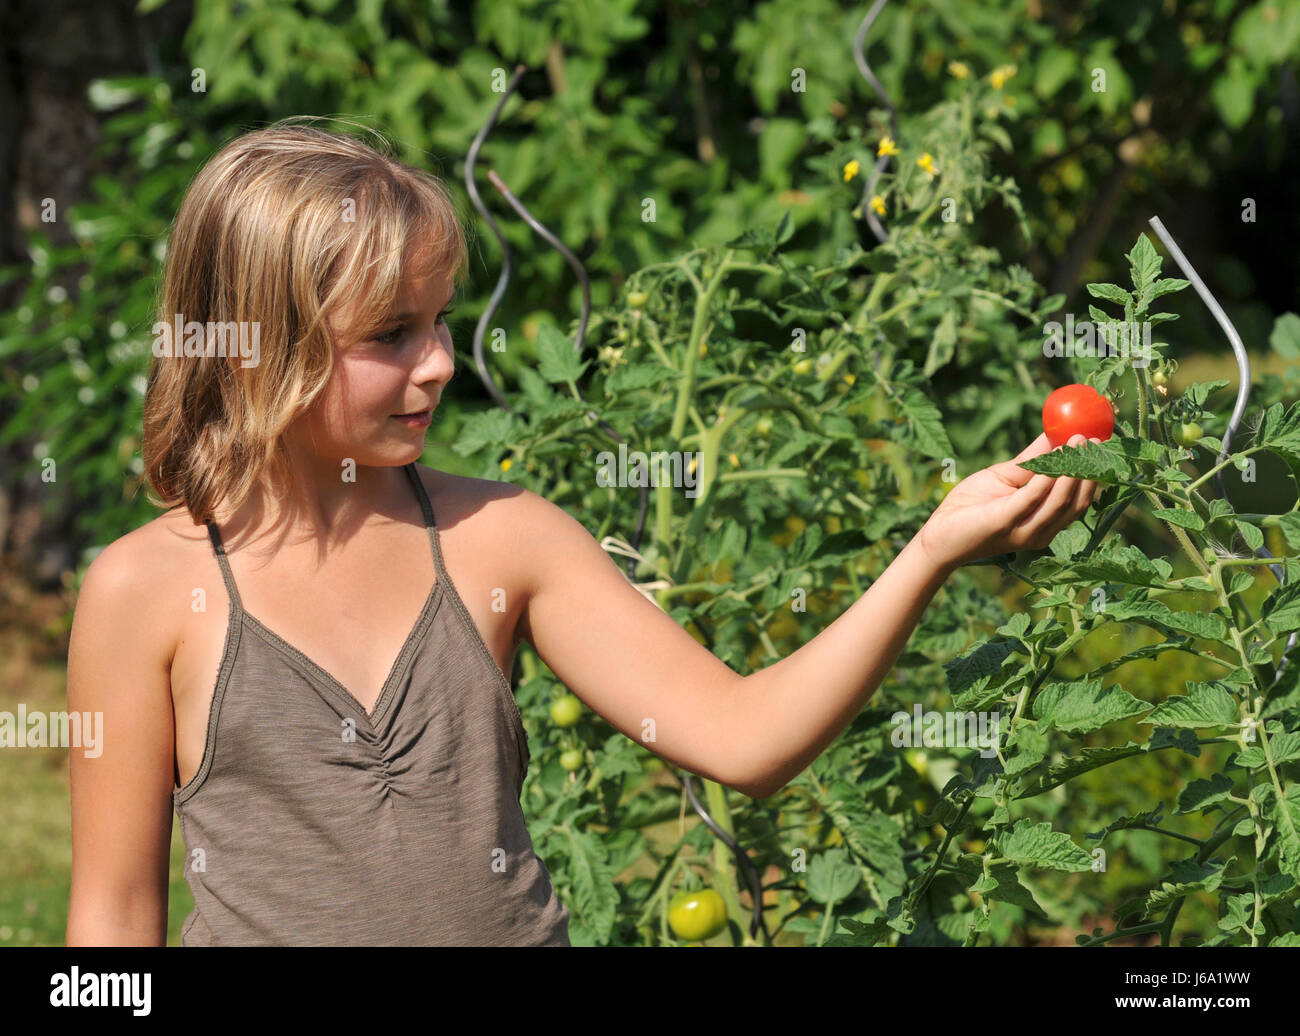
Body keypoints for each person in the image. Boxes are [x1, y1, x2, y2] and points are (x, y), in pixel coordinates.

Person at [64, 120, 1100, 947]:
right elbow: (111, 920)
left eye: (440, 321)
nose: (438, 363)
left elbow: (742, 740)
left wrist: (925, 552)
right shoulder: (145, 592)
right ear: (259, 349)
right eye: (391, 335)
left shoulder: (499, 537)